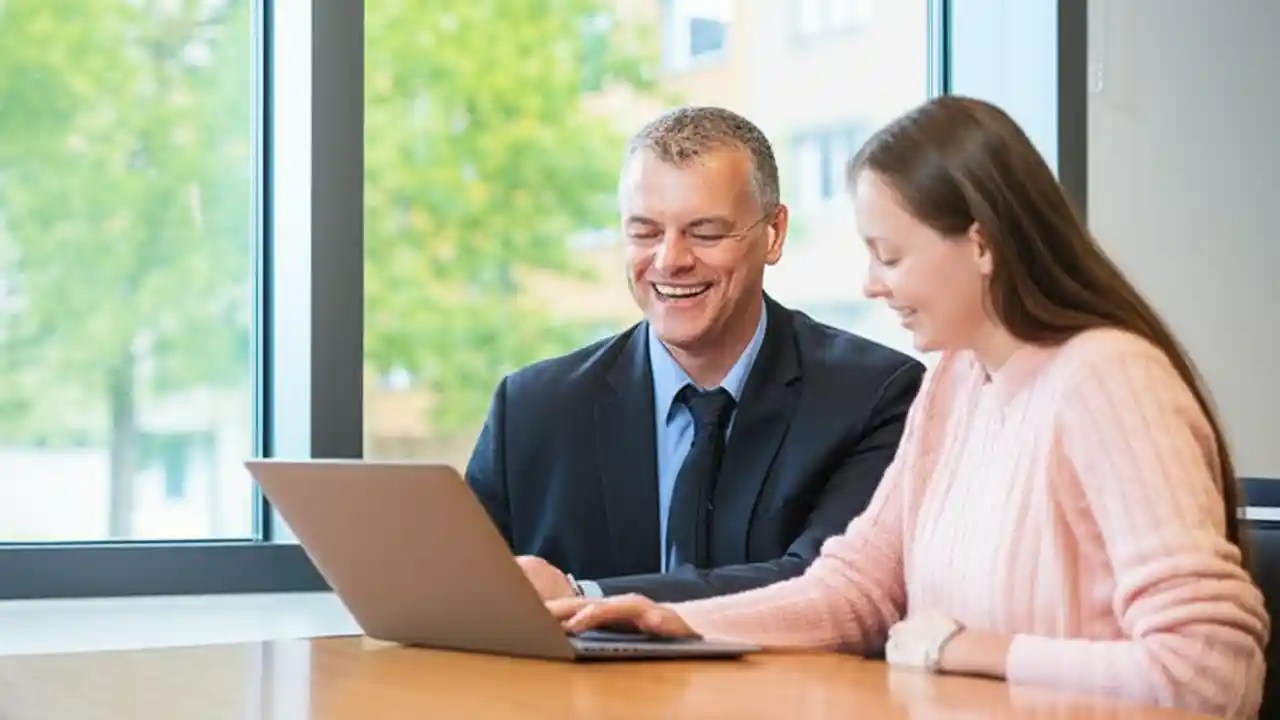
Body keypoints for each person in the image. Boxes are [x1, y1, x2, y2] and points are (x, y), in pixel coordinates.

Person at [550, 96, 1269, 719]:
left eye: (889, 256)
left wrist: (969, 650)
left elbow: (1209, 671)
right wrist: (673, 621)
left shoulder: (1110, 381)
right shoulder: (956, 383)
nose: (872, 284)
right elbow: (856, 589)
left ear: (980, 244)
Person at [465, 106, 924, 603]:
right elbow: (458, 596)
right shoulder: (531, 411)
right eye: (645, 232)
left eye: (705, 233)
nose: (670, 260)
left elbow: (826, 588)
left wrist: (586, 596)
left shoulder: (874, 398)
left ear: (773, 233)